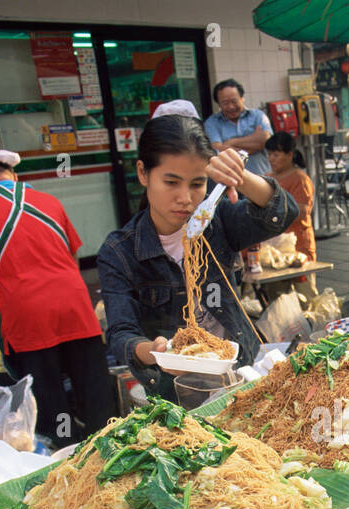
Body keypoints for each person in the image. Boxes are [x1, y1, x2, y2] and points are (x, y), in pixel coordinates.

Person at [99, 116, 298, 400]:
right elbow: (121, 334)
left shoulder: (217, 222)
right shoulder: (120, 252)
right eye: (171, 182)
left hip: (239, 373)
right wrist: (154, 351)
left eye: (197, 183)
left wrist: (239, 176)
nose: (185, 198)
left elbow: (283, 214)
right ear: (143, 173)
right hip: (175, 390)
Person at [0, 148, 115, 447]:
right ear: (15, 175)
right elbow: (73, 257)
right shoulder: (49, 201)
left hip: (26, 315)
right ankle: (111, 448)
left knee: (51, 399)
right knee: (95, 393)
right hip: (75, 306)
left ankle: (69, 454)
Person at [203, 79, 273, 175]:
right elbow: (217, 150)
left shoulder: (258, 116)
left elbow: (265, 141)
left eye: (234, 101)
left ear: (242, 98)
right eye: (225, 103)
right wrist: (254, 141)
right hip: (232, 182)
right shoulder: (212, 123)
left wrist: (230, 142)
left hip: (263, 177)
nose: (231, 107)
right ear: (218, 104)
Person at [265, 131, 315, 262]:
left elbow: (301, 212)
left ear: (289, 155)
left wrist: (270, 211)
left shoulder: (300, 179)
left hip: (298, 245)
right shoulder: (268, 178)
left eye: (276, 155)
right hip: (273, 246)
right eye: (269, 154)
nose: (271, 159)